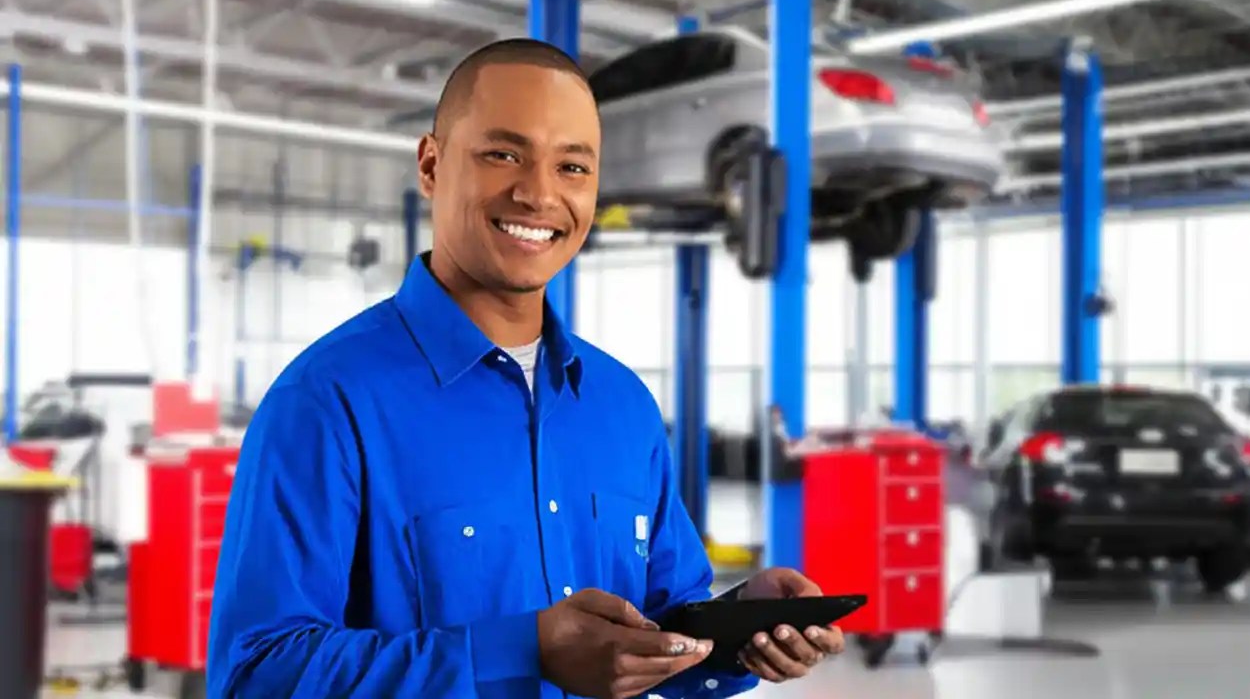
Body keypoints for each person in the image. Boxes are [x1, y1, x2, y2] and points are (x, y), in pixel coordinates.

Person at [206, 38, 844, 699]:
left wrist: (740, 630)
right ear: (431, 166)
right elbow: (258, 673)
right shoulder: (327, 402)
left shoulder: (622, 406)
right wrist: (520, 653)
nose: (539, 194)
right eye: (503, 154)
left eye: (572, 167)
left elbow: (658, 620)